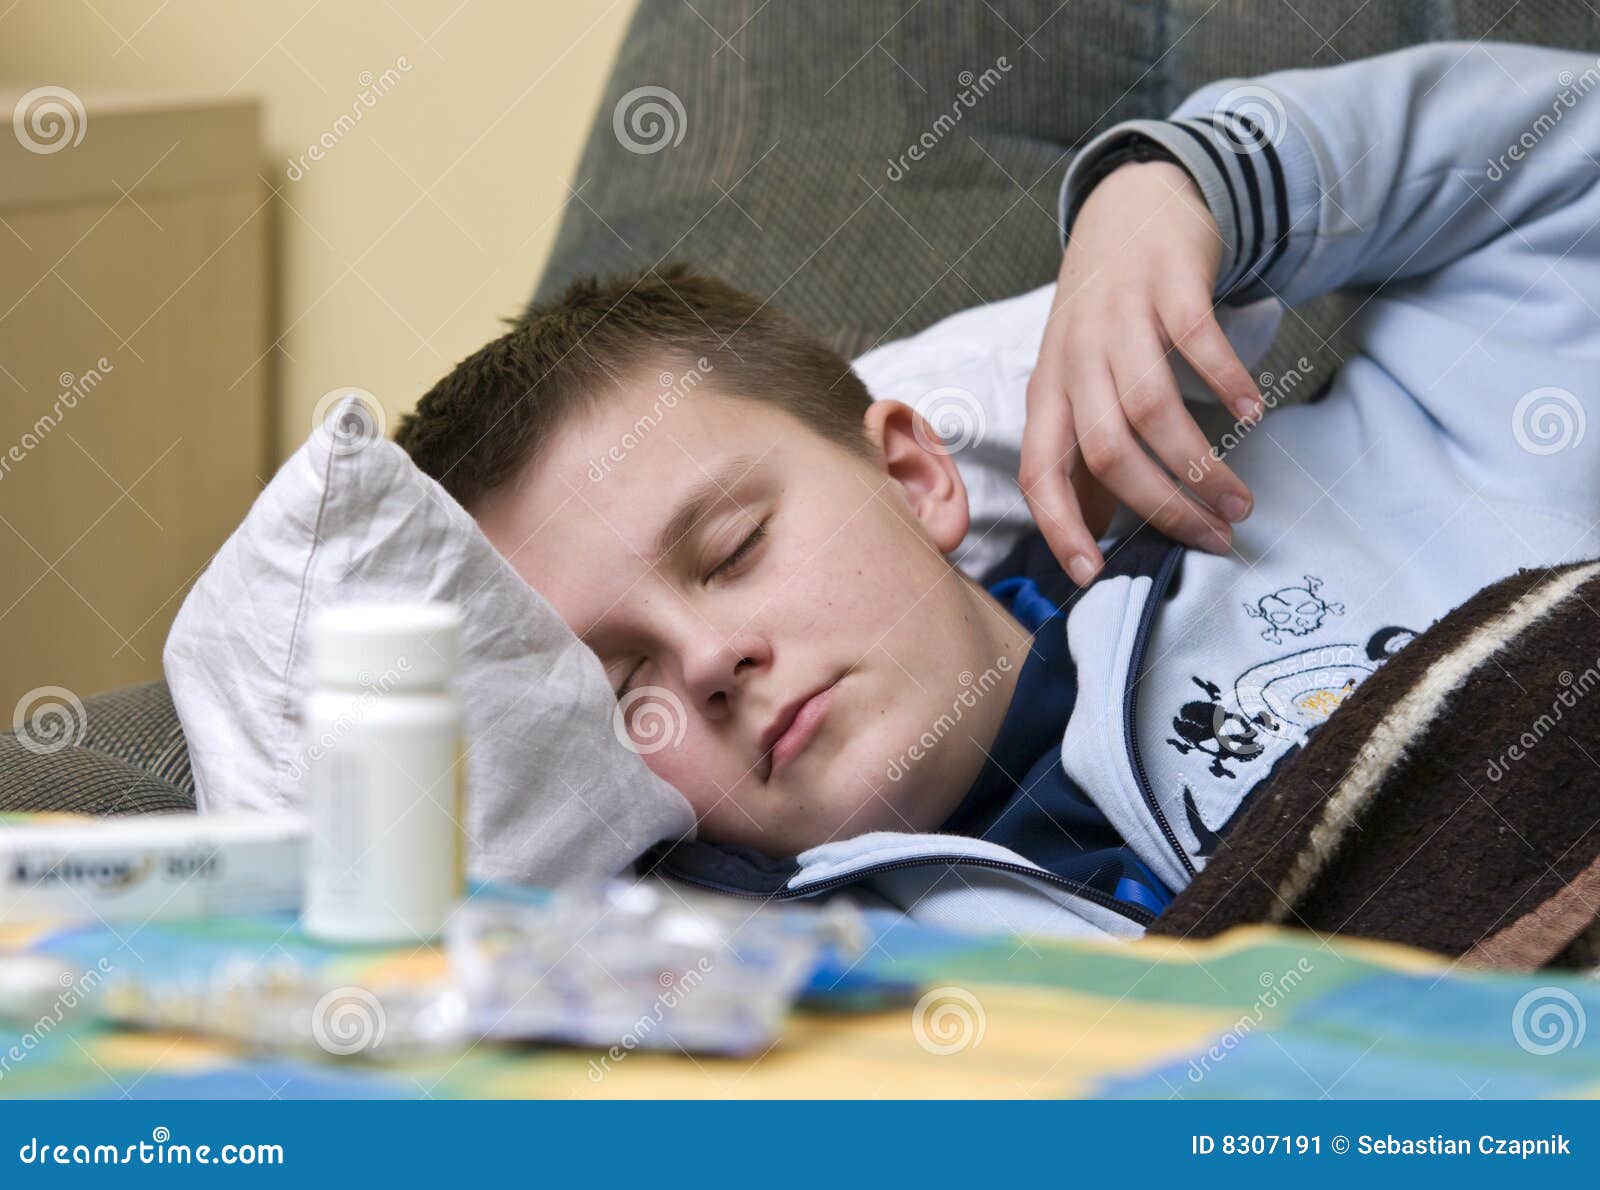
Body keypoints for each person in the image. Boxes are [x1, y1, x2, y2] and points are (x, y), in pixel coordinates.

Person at [398, 41, 1600, 938]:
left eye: (731, 547)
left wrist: (1183, 185)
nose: (706, 662)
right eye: (622, 687)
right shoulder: (769, 964)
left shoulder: (1327, 493)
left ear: (915, 475)